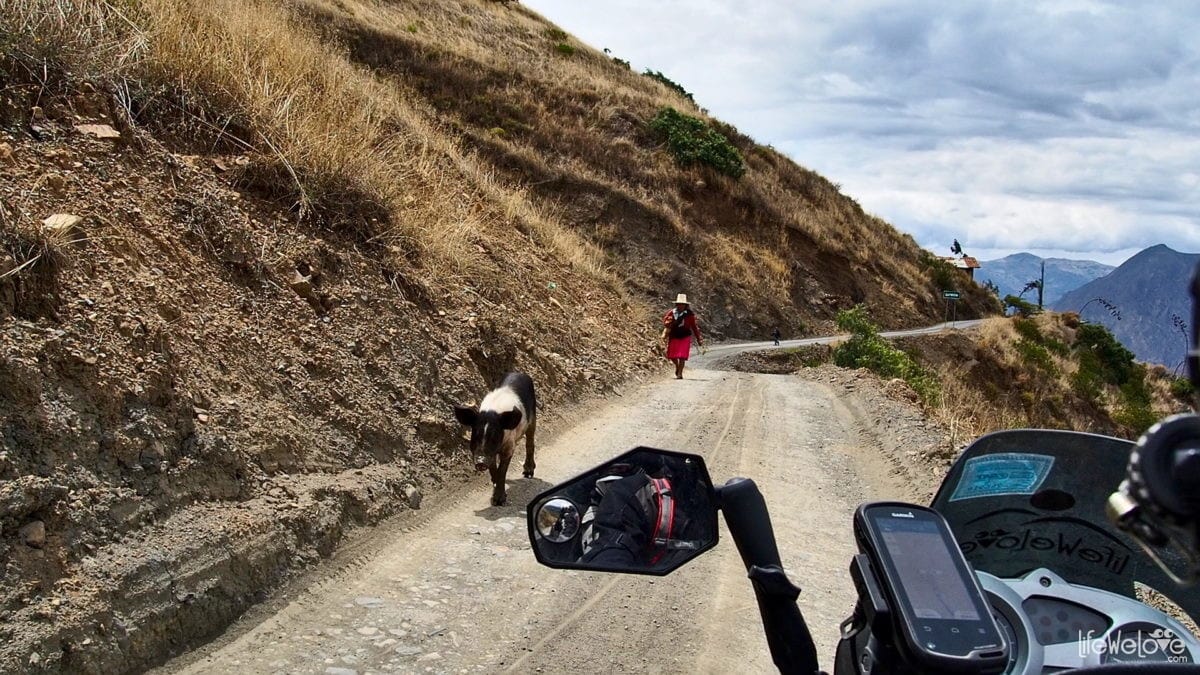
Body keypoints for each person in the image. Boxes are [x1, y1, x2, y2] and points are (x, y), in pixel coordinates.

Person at [661, 294, 703, 379]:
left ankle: (680, 373)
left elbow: (694, 327)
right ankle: (677, 366)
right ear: (677, 304)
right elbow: (665, 321)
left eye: (682, 304)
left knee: (682, 356)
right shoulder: (672, 312)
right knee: (672, 355)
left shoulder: (690, 314)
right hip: (674, 335)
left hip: (685, 336)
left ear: (685, 305)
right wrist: (668, 322)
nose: (681, 305)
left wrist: (699, 339)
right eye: (679, 304)